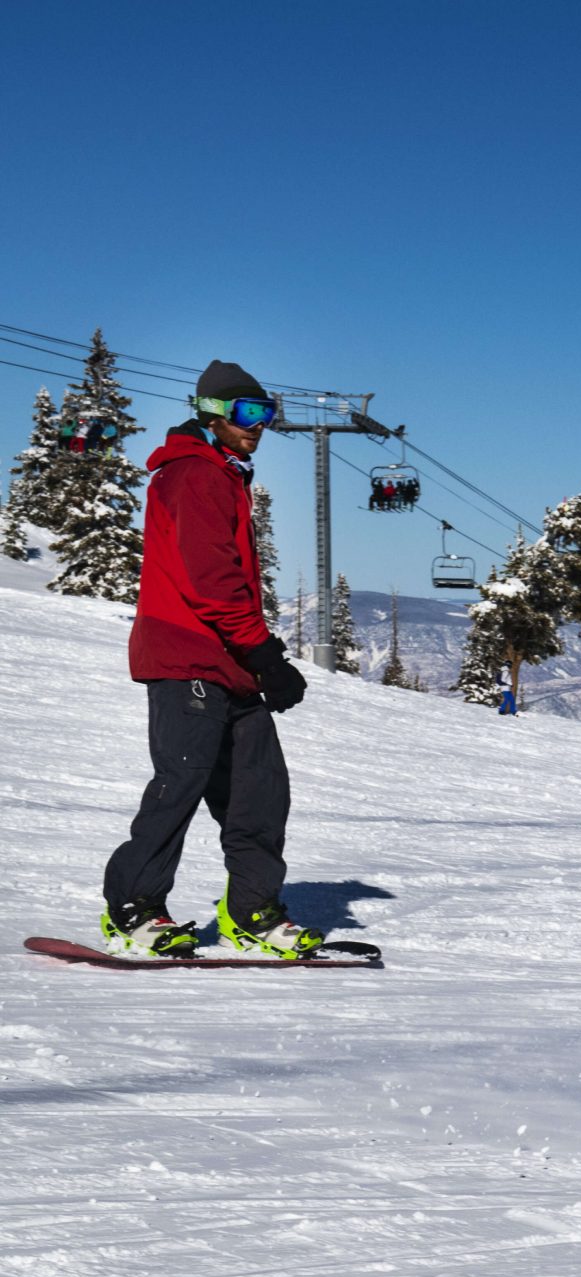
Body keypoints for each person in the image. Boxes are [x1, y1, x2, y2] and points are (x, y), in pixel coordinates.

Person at [99, 361, 320, 959]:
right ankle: (133, 910)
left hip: (228, 660)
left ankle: (251, 910)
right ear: (213, 413)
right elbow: (211, 582)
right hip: (186, 654)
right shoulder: (194, 476)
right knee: (182, 781)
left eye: (267, 414)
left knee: (259, 789)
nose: (260, 426)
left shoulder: (223, 474)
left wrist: (252, 658)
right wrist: (265, 654)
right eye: (249, 414)